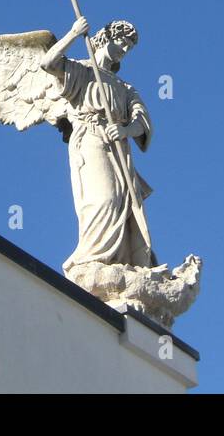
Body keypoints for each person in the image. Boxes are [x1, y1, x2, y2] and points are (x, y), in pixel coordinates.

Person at [40, 16, 157, 272]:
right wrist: (72, 34)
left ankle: (121, 261)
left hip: (117, 145)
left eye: (129, 47)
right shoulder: (80, 70)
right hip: (90, 138)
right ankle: (90, 259)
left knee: (124, 203)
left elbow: (143, 121)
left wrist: (125, 129)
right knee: (103, 199)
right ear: (107, 39)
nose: (125, 50)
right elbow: (47, 63)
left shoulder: (125, 87)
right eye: (122, 43)